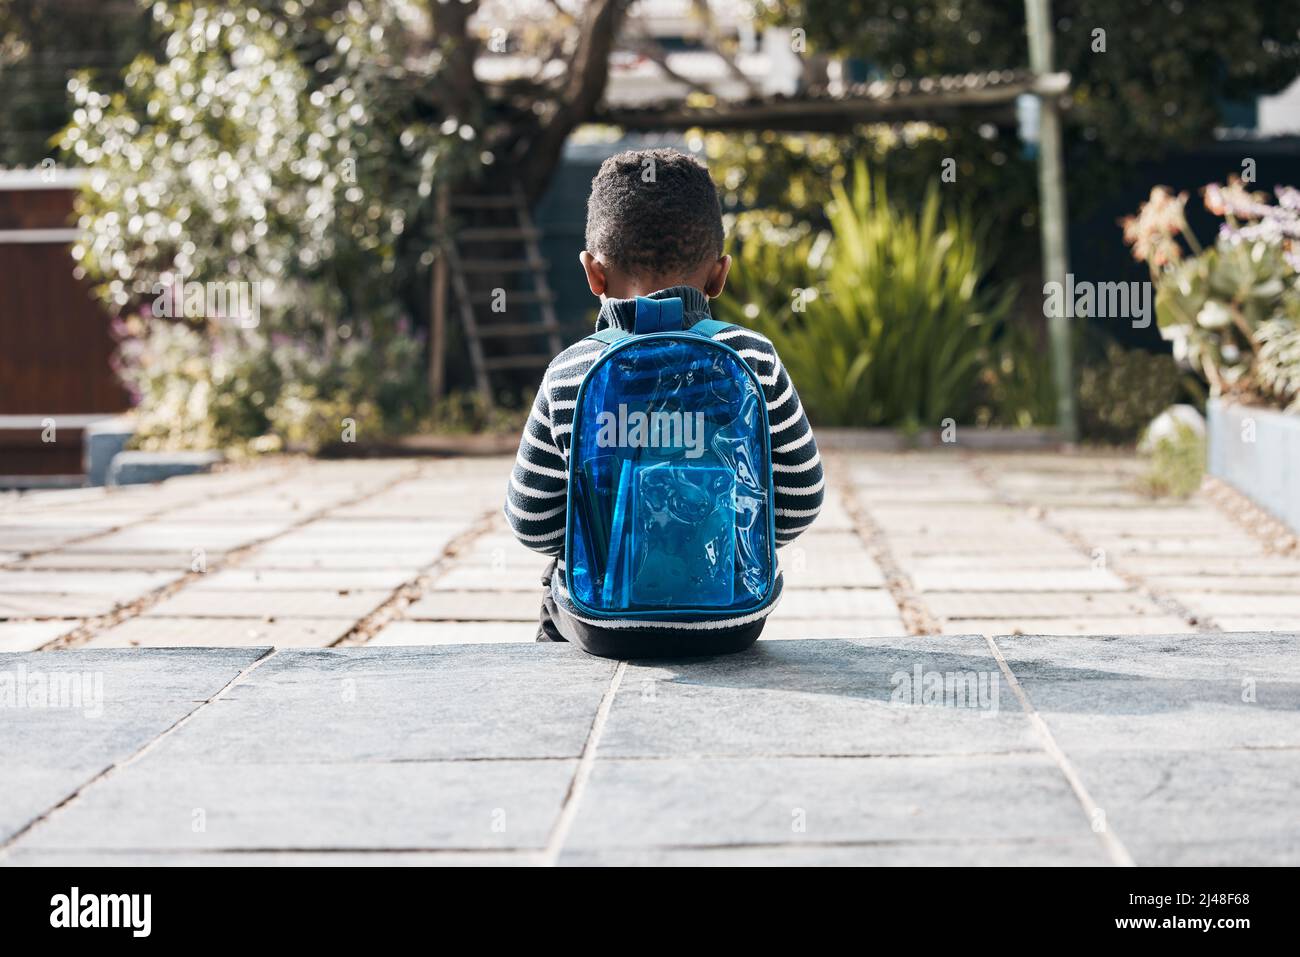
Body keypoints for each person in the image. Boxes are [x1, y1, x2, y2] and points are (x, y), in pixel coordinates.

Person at [505, 148, 823, 655]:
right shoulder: (755, 358)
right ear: (719, 275)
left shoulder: (571, 370)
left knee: (554, 585)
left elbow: (532, 521)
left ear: (593, 274)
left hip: (605, 628)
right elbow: (801, 500)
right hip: (731, 620)